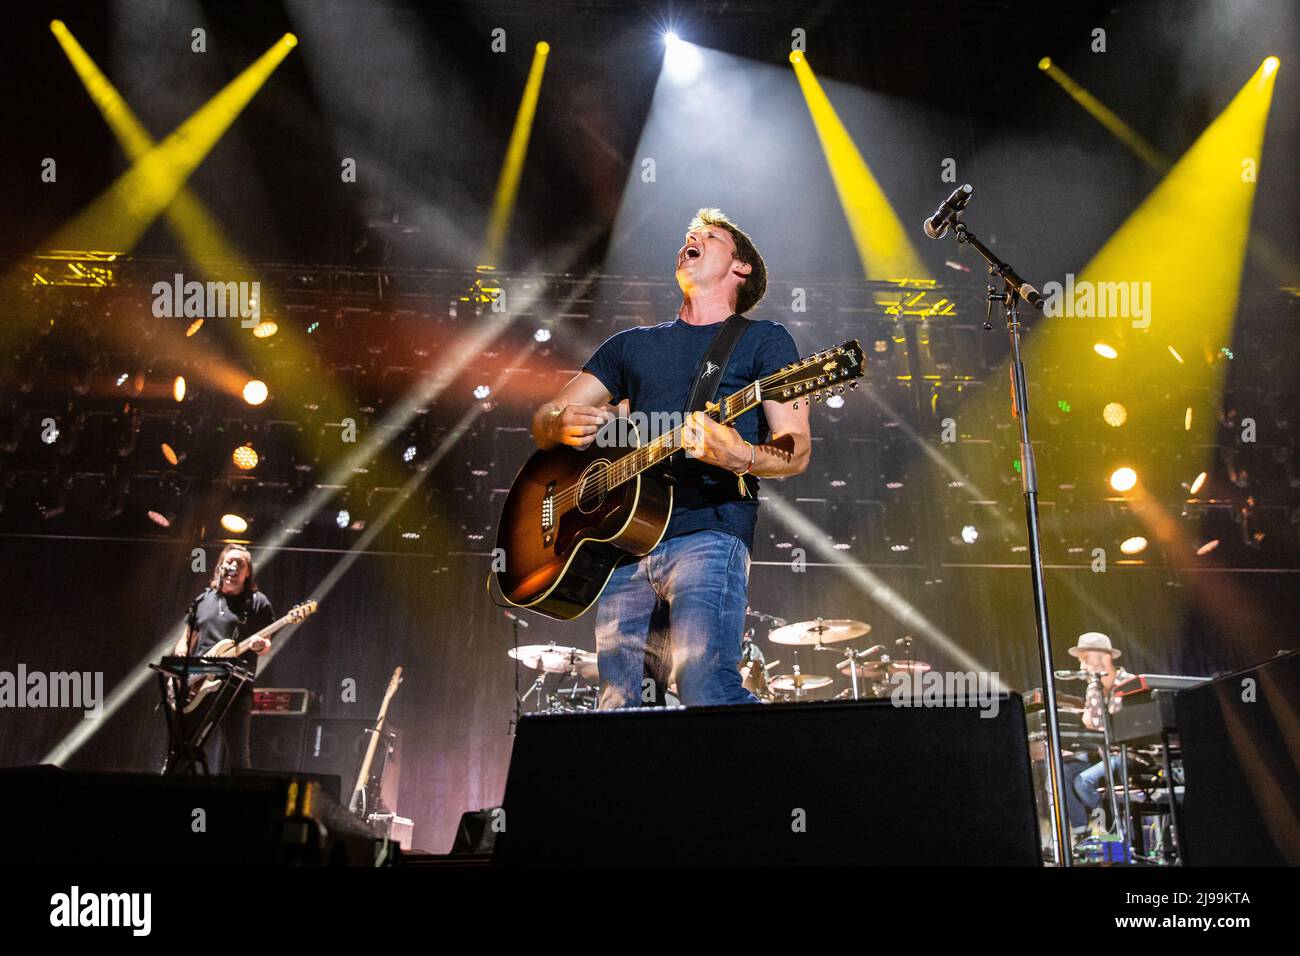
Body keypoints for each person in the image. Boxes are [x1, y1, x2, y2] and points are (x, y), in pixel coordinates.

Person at [530, 208, 811, 708]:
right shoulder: (629, 347)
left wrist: (742, 454)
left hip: (709, 530)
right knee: (619, 702)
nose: (691, 239)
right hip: (624, 543)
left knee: (706, 686)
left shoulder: (765, 341)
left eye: (708, 236)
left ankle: (788, 775)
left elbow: (796, 448)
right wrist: (559, 423)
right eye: (688, 236)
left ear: (740, 267)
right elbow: (546, 416)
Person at [170, 544, 274, 772]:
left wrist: (259, 646)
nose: (233, 566)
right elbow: (186, 638)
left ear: (248, 573)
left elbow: (266, 645)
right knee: (182, 749)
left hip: (234, 688)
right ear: (220, 567)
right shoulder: (203, 600)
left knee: (239, 755)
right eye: (229, 561)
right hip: (197, 685)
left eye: (240, 563)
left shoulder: (257, 602)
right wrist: (180, 654)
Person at [1062, 632, 1131, 839]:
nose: (1082, 667)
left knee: (1083, 782)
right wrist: (1093, 688)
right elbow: (1089, 722)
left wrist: (1095, 692)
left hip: (1129, 755)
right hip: (1105, 755)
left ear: (1105, 657)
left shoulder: (1128, 683)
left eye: (1086, 660)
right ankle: (1083, 834)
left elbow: (1108, 724)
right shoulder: (1094, 687)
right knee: (1062, 773)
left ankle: (1110, 829)